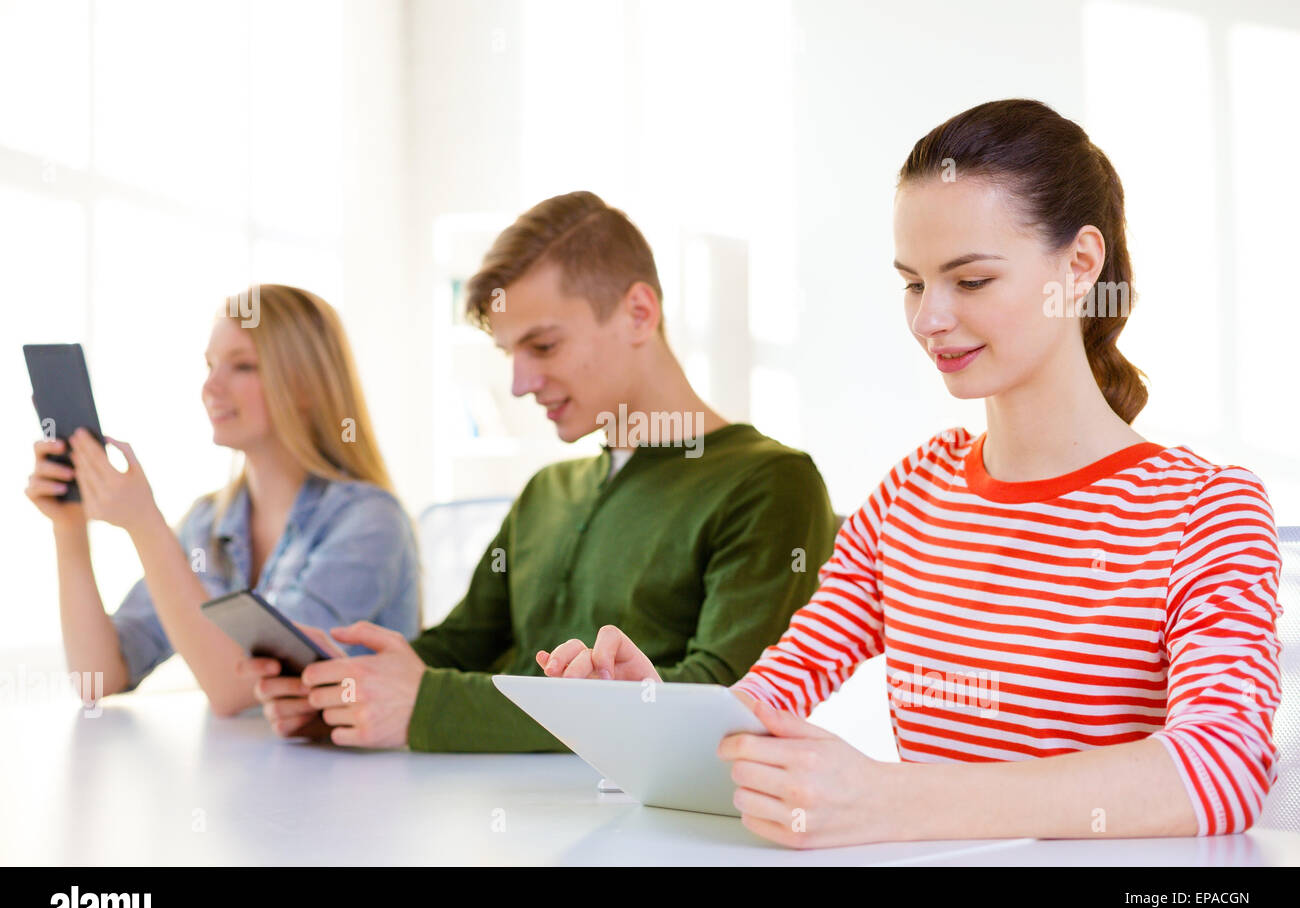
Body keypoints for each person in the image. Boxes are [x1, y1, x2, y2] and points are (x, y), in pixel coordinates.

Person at [539, 100, 1284, 845]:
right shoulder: (911, 496)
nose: (929, 318)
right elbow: (777, 689)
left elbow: (1221, 768)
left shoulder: (1206, 512)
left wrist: (892, 799)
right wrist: (660, 727)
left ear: (1079, 265)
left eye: (972, 281)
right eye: (914, 283)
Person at [242, 191, 839, 750]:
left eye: (544, 347)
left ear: (638, 313)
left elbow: (722, 702)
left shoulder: (771, 485)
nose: (520, 384)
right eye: (510, 355)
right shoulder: (549, 490)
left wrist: (427, 705)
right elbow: (465, 647)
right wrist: (344, 686)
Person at [26, 284, 419, 717]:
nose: (210, 387)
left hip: (355, 781)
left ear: (308, 386)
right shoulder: (208, 522)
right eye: (210, 366)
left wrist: (144, 524)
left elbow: (239, 689)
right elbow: (97, 676)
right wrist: (69, 527)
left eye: (243, 366)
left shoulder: (369, 522)